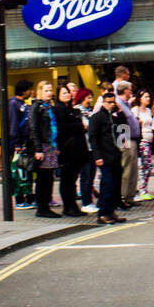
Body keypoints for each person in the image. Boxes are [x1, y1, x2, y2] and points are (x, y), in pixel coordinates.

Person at [88, 91, 127, 224]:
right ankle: (103, 213)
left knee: (115, 184)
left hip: (115, 155)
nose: (111, 105)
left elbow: (124, 129)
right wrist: (97, 156)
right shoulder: (97, 117)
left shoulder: (114, 117)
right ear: (103, 102)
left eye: (113, 102)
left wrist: (120, 112)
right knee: (108, 184)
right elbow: (92, 138)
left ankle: (110, 211)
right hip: (105, 156)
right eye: (109, 102)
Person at [55, 85, 91, 217]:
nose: (67, 95)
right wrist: (79, 125)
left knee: (73, 179)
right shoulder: (58, 109)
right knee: (67, 180)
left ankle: (73, 206)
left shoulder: (72, 109)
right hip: (67, 149)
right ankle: (68, 206)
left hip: (78, 149)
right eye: (63, 93)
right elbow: (63, 127)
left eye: (68, 93)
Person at [27, 80, 60, 218]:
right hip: (43, 146)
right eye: (46, 90)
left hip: (51, 145)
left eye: (50, 90)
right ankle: (42, 207)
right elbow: (33, 128)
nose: (49, 93)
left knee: (49, 177)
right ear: (40, 91)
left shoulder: (49, 106)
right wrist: (38, 148)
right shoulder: (37, 106)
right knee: (43, 177)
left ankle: (46, 205)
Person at [113, 80, 140, 211]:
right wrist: (122, 141)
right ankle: (123, 197)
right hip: (126, 140)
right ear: (125, 91)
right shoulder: (118, 104)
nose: (131, 92)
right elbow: (119, 122)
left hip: (133, 139)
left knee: (133, 170)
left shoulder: (126, 104)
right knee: (127, 170)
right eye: (130, 89)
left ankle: (130, 197)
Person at [8, 80, 35, 210]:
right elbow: (14, 124)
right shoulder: (13, 104)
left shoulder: (23, 104)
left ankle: (29, 197)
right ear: (24, 91)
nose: (31, 92)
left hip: (26, 142)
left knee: (27, 171)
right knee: (19, 172)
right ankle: (19, 199)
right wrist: (17, 143)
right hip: (19, 144)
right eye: (30, 89)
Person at [75, 89, 98, 212]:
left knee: (91, 175)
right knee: (86, 176)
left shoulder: (89, 111)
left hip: (92, 147)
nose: (90, 100)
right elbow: (84, 127)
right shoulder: (78, 111)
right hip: (83, 147)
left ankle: (89, 201)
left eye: (91, 97)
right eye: (88, 98)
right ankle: (86, 202)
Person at [134, 90, 154, 201]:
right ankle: (142, 189)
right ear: (140, 98)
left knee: (146, 165)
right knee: (146, 165)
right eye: (146, 97)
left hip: (149, 139)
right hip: (142, 140)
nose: (148, 98)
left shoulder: (148, 110)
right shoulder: (135, 110)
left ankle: (144, 189)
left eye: (149, 96)